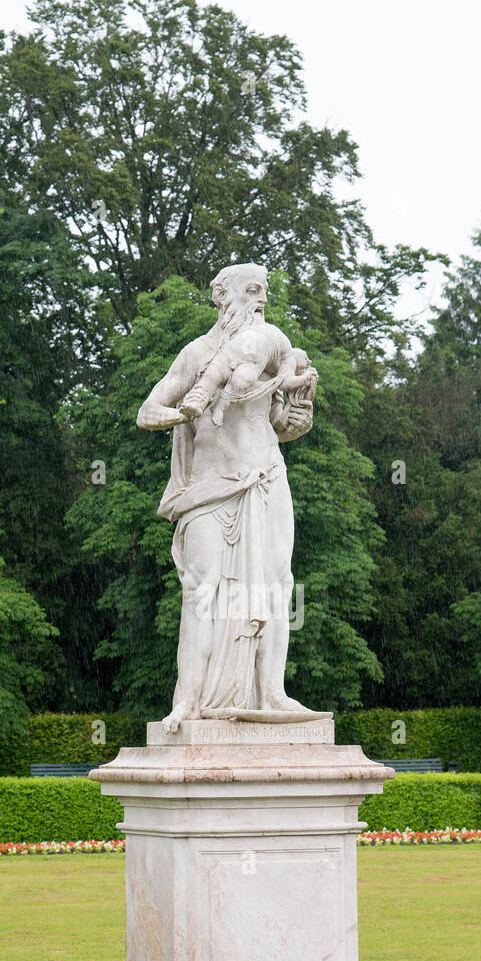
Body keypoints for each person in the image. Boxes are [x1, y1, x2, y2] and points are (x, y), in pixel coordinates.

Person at [137, 262, 320, 730]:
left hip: (266, 478)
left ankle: (272, 694)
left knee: (277, 586)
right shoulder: (196, 354)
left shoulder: (271, 349)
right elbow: (147, 412)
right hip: (211, 488)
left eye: (265, 293)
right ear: (224, 297)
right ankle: (188, 701)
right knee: (202, 592)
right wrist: (190, 409)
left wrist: (296, 414)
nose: (262, 300)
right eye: (254, 291)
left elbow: (279, 425)